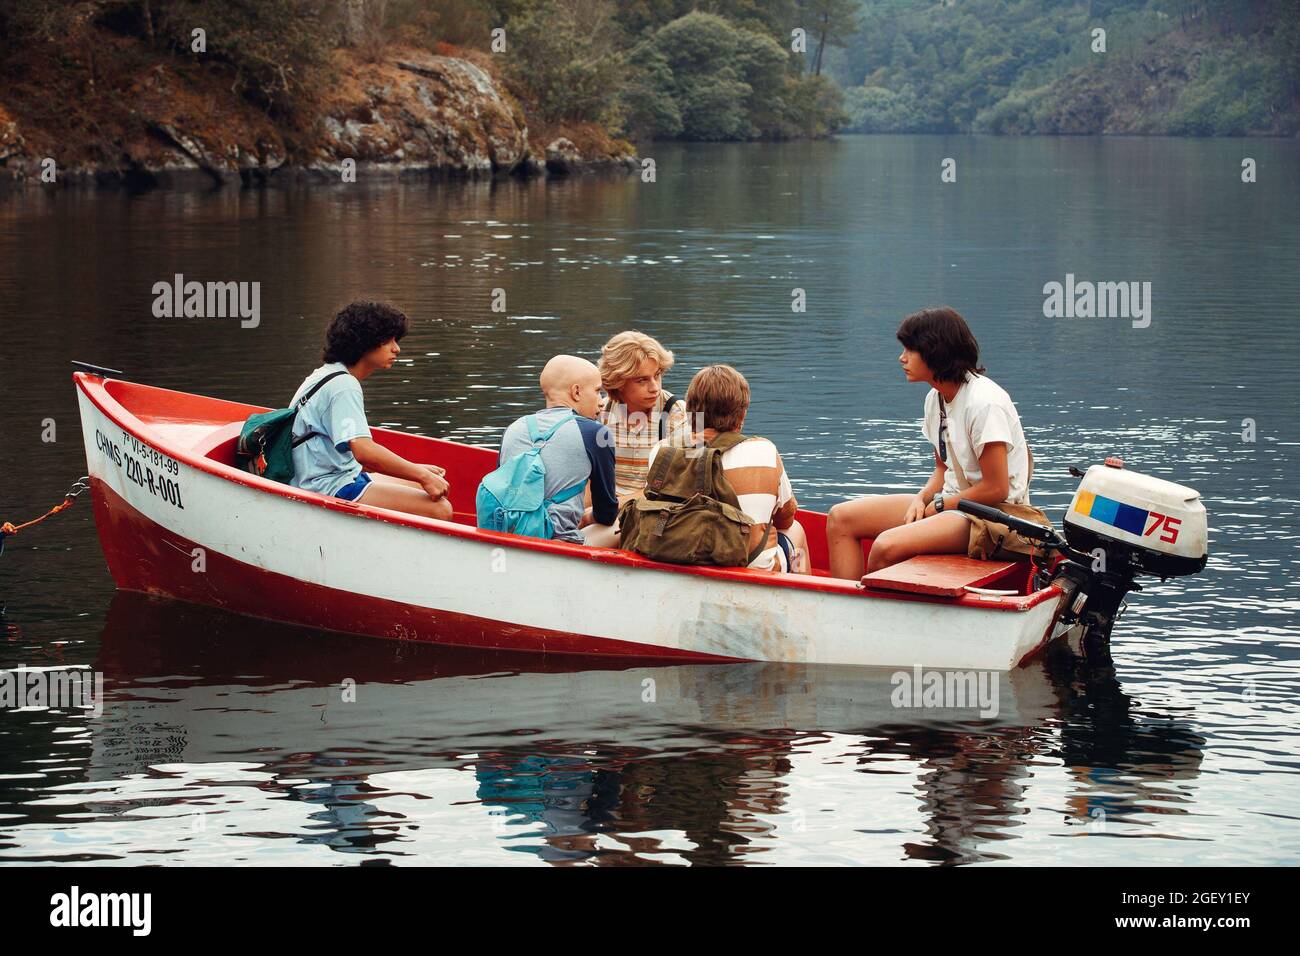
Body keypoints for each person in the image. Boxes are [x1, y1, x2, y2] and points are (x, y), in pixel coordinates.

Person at [825, 306, 1049, 579]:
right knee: (840, 519)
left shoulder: (984, 402)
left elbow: (997, 488)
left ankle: (878, 617)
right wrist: (922, 498)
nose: (901, 358)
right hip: (954, 504)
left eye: (910, 350)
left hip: (991, 516)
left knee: (885, 546)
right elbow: (943, 470)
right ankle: (847, 615)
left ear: (935, 351)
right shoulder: (935, 398)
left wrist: (943, 505)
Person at [290, 300, 452, 520]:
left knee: (425, 481)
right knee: (440, 509)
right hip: (325, 487)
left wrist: (417, 472)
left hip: (330, 476)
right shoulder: (344, 386)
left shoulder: (325, 374)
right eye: (388, 341)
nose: (397, 348)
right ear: (364, 342)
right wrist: (422, 475)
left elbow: (344, 455)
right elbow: (365, 454)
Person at [645, 364, 809, 573]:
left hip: (675, 556)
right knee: (797, 530)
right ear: (742, 414)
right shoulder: (764, 450)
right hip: (747, 565)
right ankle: (801, 591)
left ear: (691, 412)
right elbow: (785, 518)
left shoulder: (662, 451)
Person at [482, 355, 619, 544]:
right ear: (576, 392)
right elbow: (607, 513)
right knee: (617, 526)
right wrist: (585, 518)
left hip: (507, 535)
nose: (601, 401)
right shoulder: (595, 433)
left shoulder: (514, 428)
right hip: (558, 544)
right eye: (597, 391)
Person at [596, 331, 692, 500]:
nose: (655, 387)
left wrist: (615, 507)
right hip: (605, 511)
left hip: (655, 512)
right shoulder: (601, 414)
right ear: (618, 382)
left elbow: (678, 485)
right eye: (642, 380)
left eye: (657, 375)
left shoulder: (677, 413)